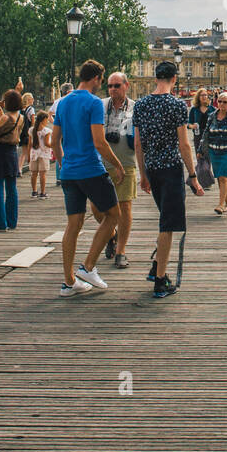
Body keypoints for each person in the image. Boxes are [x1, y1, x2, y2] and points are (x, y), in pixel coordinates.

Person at [52, 60, 125, 297]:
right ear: (95, 79)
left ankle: (68, 282)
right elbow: (99, 141)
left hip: (69, 172)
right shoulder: (94, 103)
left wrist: (64, 164)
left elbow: (54, 141)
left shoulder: (63, 102)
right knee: (114, 215)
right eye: (101, 80)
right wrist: (117, 164)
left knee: (73, 225)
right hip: (91, 169)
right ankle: (88, 267)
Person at [133, 60, 204, 299]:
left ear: (156, 78)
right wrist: (192, 176)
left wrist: (142, 174)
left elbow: (138, 144)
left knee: (166, 219)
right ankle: (160, 280)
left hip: (151, 168)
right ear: (174, 79)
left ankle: (156, 266)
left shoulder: (141, 105)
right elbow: (184, 144)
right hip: (171, 169)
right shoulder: (176, 105)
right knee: (168, 225)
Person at [100, 72, 138, 268]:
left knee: (125, 207)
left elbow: (140, 139)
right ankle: (111, 234)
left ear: (126, 85)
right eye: (110, 86)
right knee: (98, 208)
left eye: (117, 85)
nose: (113, 89)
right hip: (101, 163)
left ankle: (121, 251)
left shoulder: (135, 107)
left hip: (127, 162)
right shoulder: (100, 105)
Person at [0, 90, 24, 231]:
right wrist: (2, 116)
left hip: (1, 152)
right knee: (11, 188)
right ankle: (12, 221)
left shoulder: (6, 118)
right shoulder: (20, 117)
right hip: (12, 153)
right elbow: (12, 129)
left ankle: (1, 223)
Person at [49, 81, 74, 184]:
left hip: (60, 129)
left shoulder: (57, 101)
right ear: (68, 91)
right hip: (70, 129)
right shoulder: (71, 101)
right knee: (69, 150)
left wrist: (56, 123)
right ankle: (70, 174)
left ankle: (59, 176)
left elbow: (49, 114)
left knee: (58, 150)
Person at [28, 110, 53, 197]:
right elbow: (46, 143)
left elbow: (30, 144)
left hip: (34, 154)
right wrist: (53, 145)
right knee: (42, 174)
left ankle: (34, 191)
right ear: (44, 119)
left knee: (34, 174)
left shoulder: (31, 130)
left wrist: (28, 155)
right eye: (47, 120)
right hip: (43, 154)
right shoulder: (46, 131)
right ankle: (42, 193)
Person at [187, 87, 215, 156]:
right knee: (199, 158)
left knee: (207, 159)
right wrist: (192, 126)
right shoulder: (194, 109)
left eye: (205, 95)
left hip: (209, 136)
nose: (204, 97)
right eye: (202, 95)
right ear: (198, 97)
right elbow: (188, 124)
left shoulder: (212, 109)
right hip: (198, 136)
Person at [18, 92, 35, 174]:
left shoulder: (21, 109)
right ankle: (32, 168)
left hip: (22, 133)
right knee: (30, 152)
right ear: (29, 100)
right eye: (32, 98)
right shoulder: (31, 109)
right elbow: (33, 123)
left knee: (24, 152)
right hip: (29, 133)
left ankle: (19, 169)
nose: (33, 100)